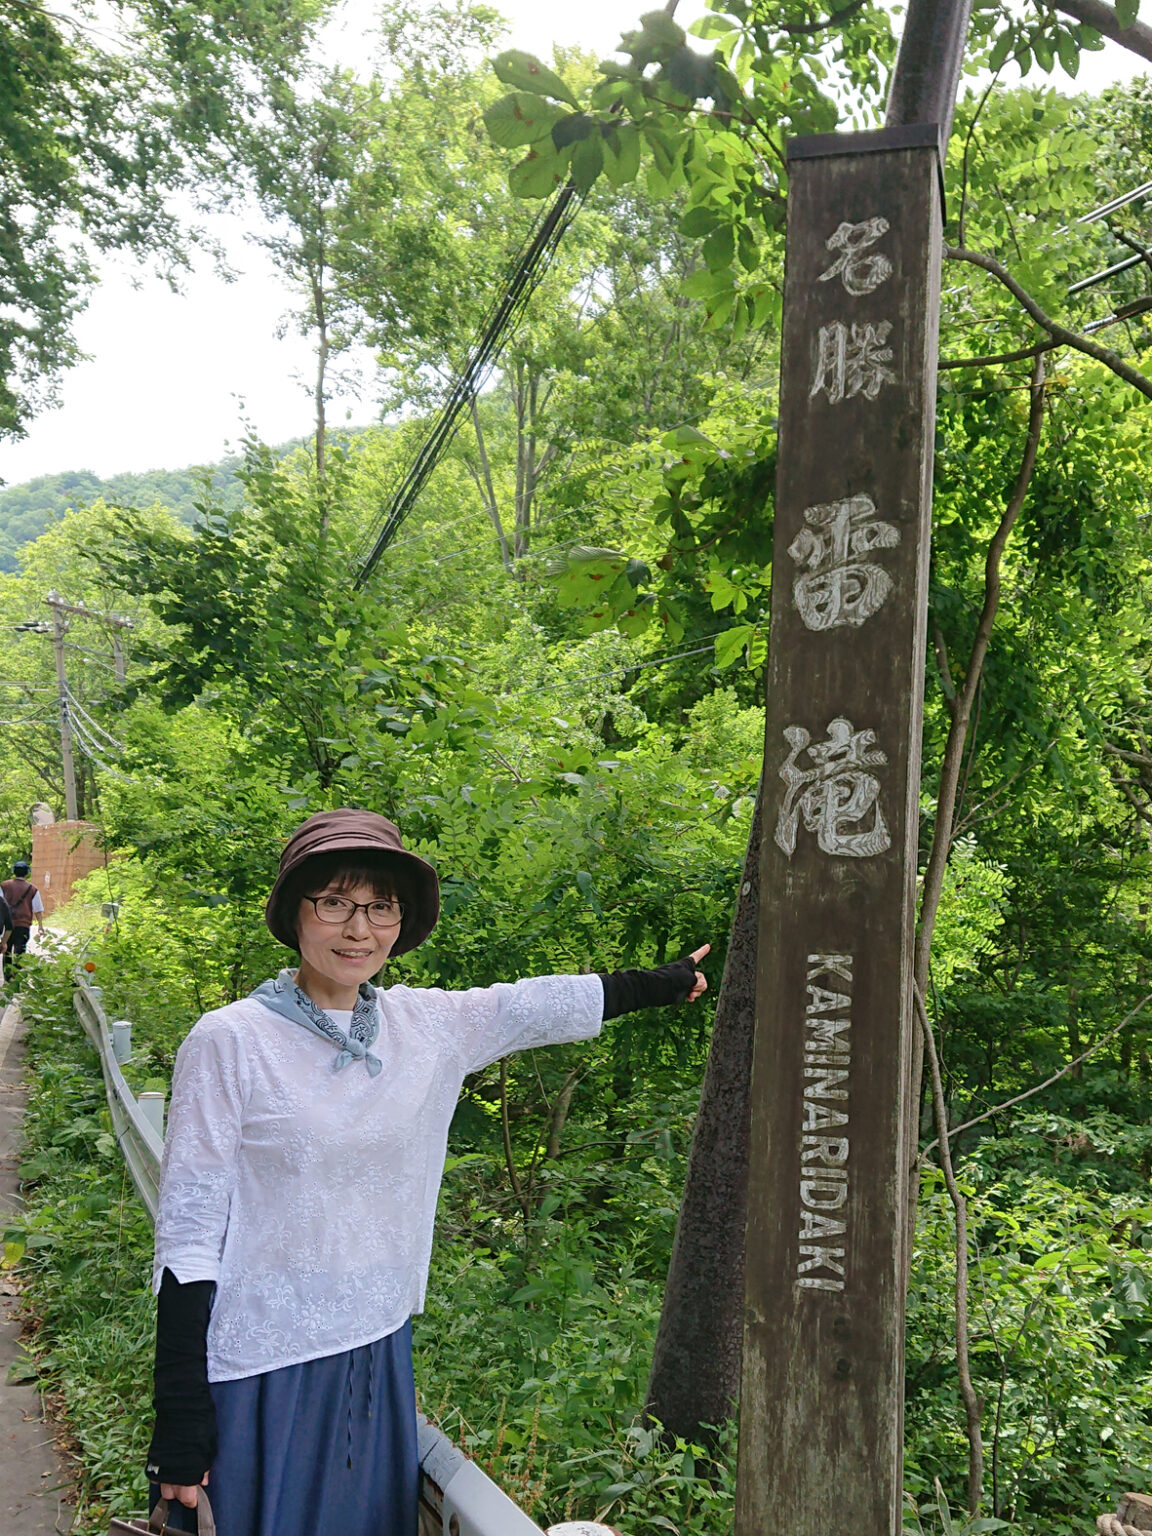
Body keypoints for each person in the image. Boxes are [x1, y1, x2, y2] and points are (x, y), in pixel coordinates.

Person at [146, 808, 709, 1536]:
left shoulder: (427, 1027)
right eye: (335, 903)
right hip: (260, 1367)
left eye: (381, 906)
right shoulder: (230, 1040)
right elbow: (187, 1234)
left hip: (375, 1352)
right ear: (295, 913)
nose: (359, 929)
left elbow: (534, 1004)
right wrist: (182, 1416)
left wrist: (661, 983)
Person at [0, 860, 44, 969]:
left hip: (7, 926)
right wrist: (40, 926)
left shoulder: (4, 885)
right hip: (23, 925)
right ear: (27, 873)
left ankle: (8, 978)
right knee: (20, 952)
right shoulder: (32, 889)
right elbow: (38, 909)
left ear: (14, 872)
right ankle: (17, 978)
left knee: (6, 950)